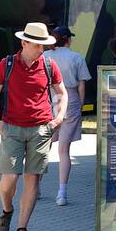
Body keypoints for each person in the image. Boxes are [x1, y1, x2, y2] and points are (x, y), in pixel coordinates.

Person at [0, 22, 68, 231]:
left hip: (41, 129)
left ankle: (22, 229)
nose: (42, 49)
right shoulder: (7, 64)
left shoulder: (50, 65)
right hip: (11, 128)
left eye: (44, 45)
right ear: (24, 42)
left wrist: (59, 117)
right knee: (9, 179)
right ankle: (7, 209)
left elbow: (62, 92)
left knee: (33, 180)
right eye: (37, 45)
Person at [43, 26, 91, 207]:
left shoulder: (44, 57)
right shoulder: (77, 58)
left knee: (43, 147)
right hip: (69, 100)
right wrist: (79, 105)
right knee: (64, 151)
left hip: (48, 100)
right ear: (68, 39)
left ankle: (36, 188)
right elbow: (81, 86)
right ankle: (61, 193)